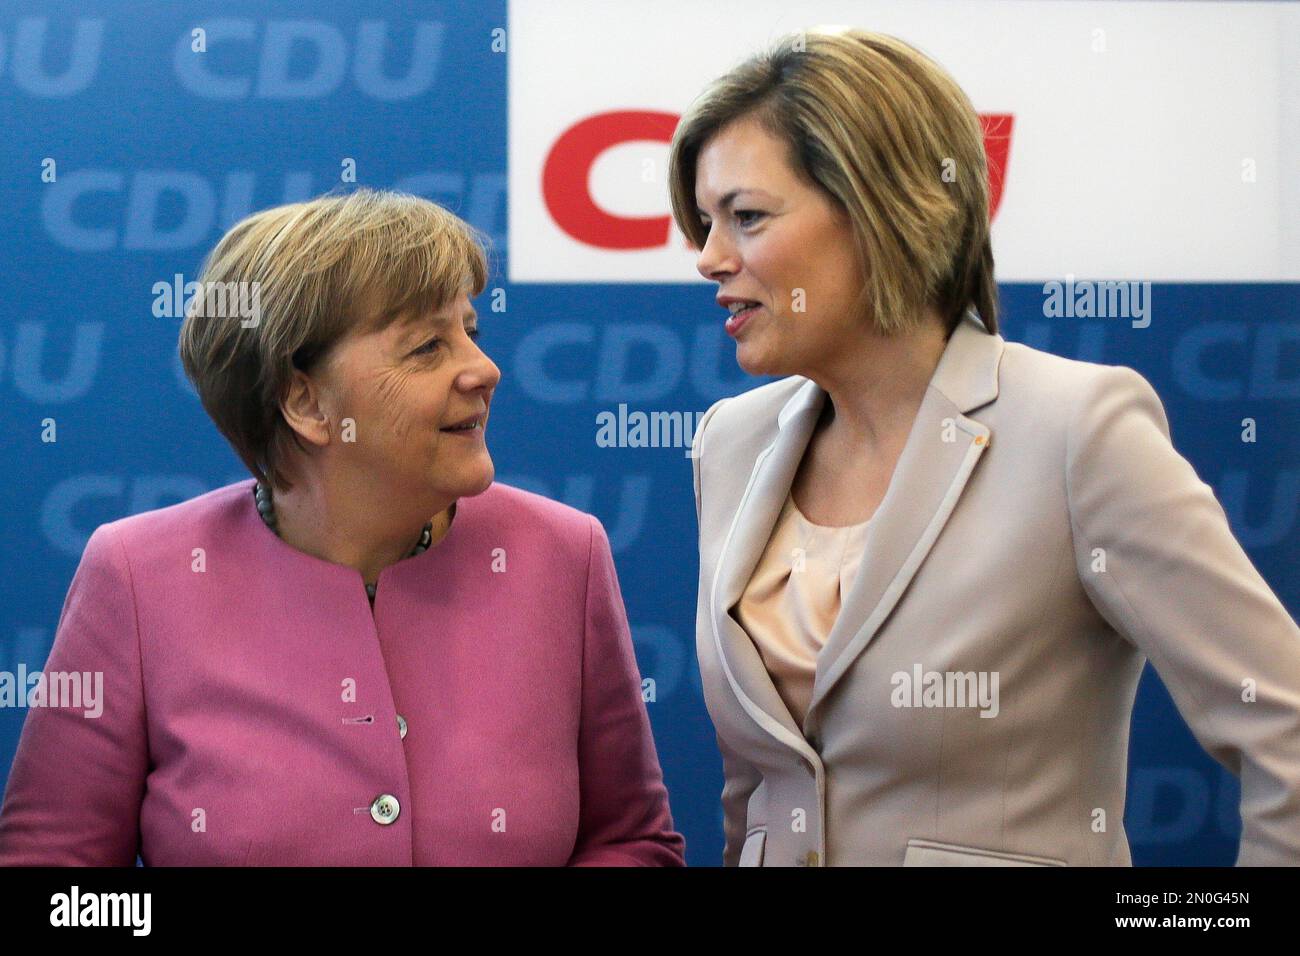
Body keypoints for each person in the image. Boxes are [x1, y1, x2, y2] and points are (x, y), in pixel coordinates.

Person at [670, 27, 1300, 866]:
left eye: (745, 216)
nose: (708, 257)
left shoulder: (1078, 430)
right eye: (706, 220)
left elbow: (1283, 728)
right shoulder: (731, 445)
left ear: (881, 209)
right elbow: (760, 793)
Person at [0, 188, 685, 866]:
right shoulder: (137, 574)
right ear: (304, 400)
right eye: (426, 348)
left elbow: (632, 843)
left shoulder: (562, 555)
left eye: (469, 332)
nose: (484, 370)